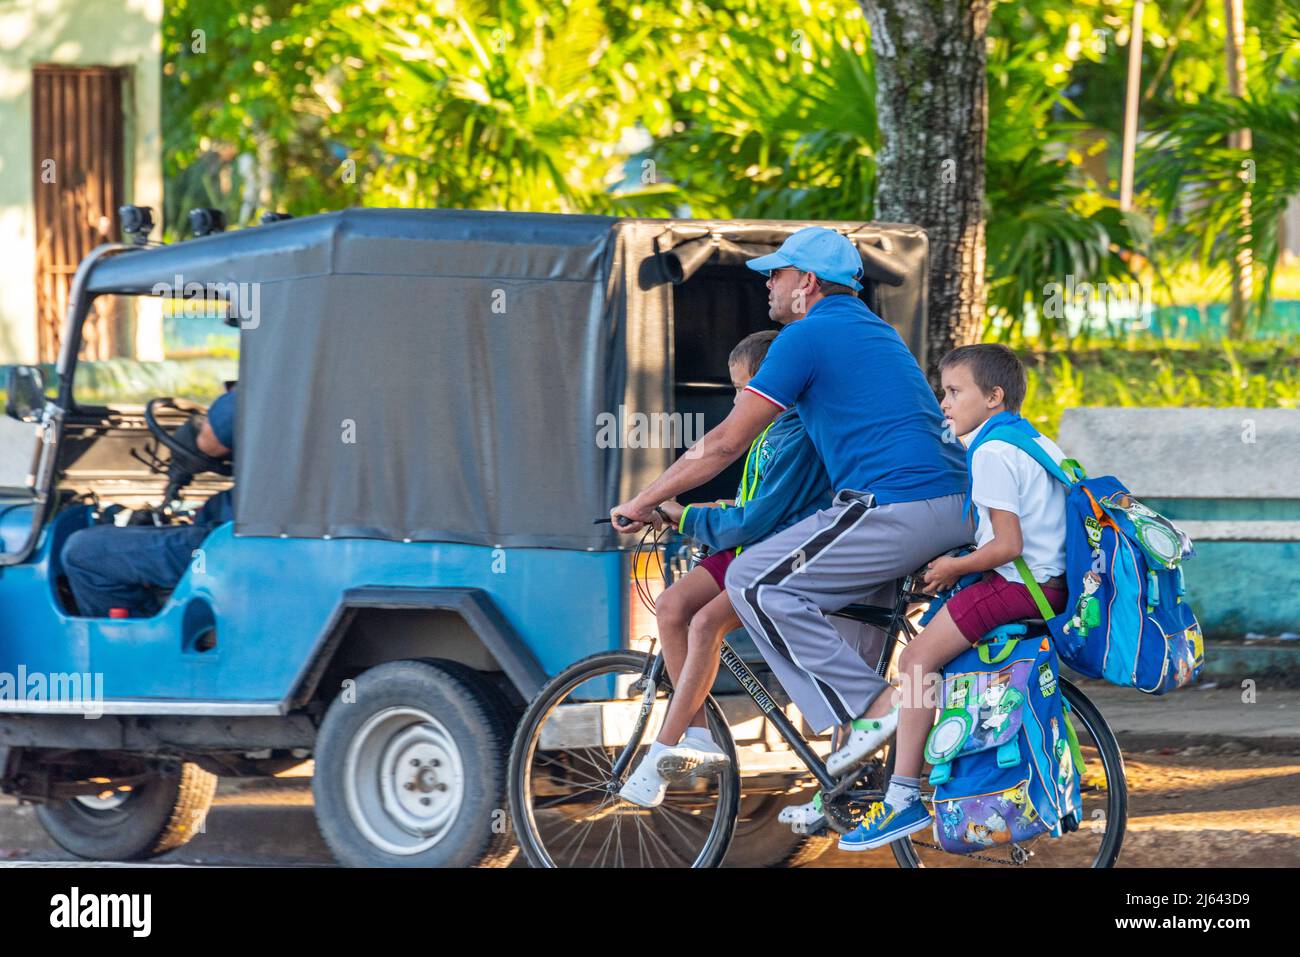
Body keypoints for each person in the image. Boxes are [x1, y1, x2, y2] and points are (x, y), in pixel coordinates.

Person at [610, 227, 972, 828]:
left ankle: (877, 706)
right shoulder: (877, 333)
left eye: (775, 274)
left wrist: (647, 498)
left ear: (806, 283)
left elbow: (725, 442)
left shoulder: (804, 337)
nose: (767, 285)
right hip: (949, 506)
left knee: (756, 583)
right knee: (848, 629)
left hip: (895, 506)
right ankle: (861, 796)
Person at [836, 343, 1071, 851]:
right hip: (1046, 585)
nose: (944, 403)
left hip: (1015, 587)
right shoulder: (1032, 440)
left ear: (993, 396)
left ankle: (901, 797)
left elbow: (1008, 545)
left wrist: (953, 567)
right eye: (943, 392)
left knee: (917, 658)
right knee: (938, 647)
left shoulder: (990, 452)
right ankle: (926, 761)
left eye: (954, 392)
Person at [618, 331, 831, 808]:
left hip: (778, 555)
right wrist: (675, 512)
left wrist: (688, 515)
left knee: (706, 622)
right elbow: (748, 505)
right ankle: (698, 737)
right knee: (672, 606)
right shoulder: (771, 433)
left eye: (743, 389)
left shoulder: (797, 434)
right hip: (749, 547)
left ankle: (664, 747)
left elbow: (753, 520)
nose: (738, 400)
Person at [62, 388, 237, 618]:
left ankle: (136, 646)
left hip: (221, 552)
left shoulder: (269, 382)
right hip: (245, 536)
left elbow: (209, 440)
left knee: (84, 553)